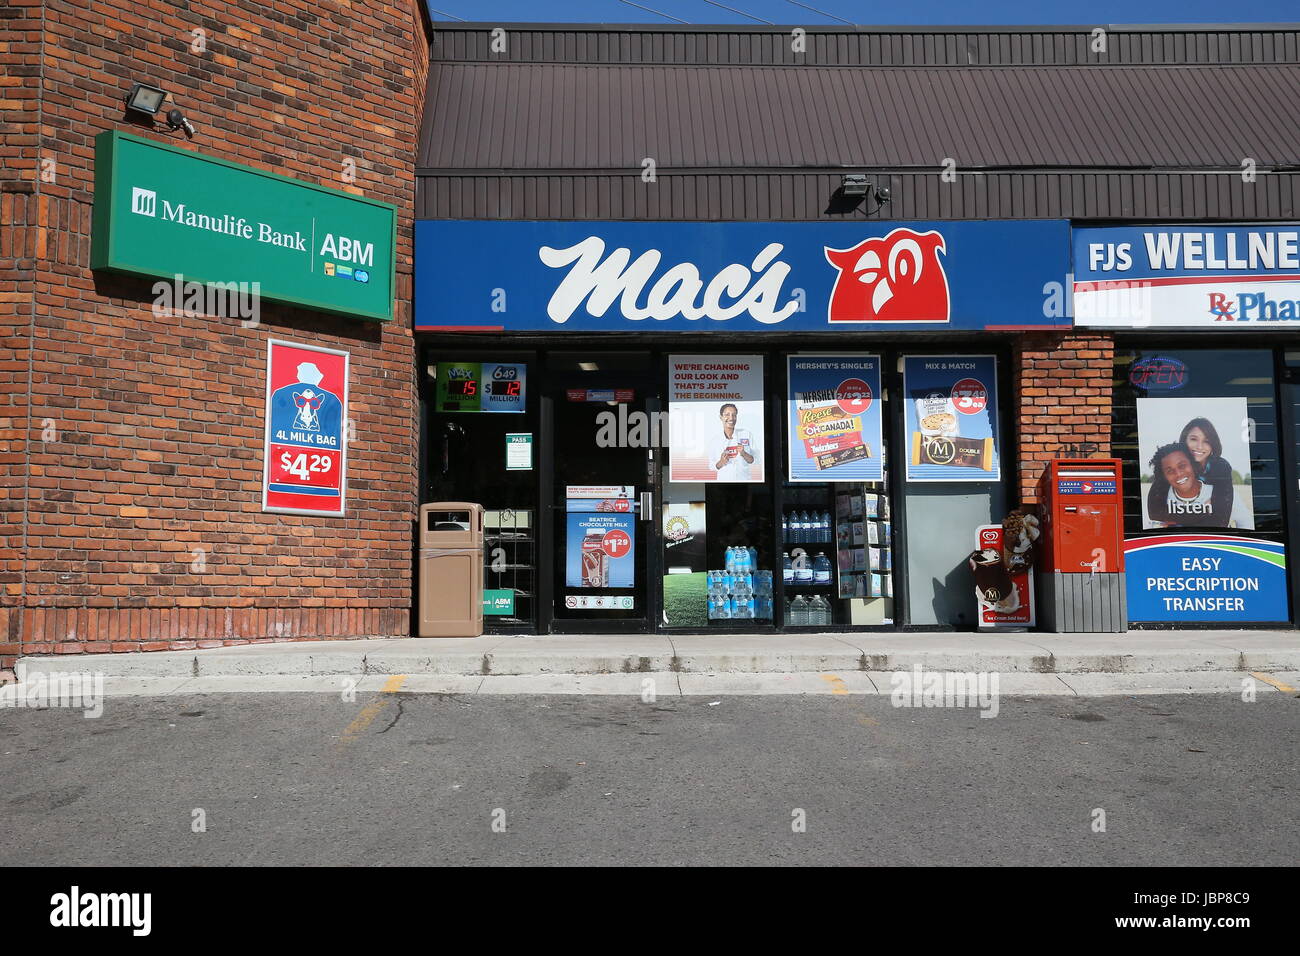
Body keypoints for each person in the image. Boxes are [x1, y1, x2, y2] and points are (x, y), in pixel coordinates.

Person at [1146, 417, 1234, 526]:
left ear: (1213, 445)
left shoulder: (1221, 467)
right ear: (1184, 440)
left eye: (1206, 441)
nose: (1199, 446)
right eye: (1194, 439)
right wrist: (1204, 511)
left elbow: (1221, 519)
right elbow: (1155, 513)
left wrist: (1177, 517)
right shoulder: (1171, 463)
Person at [1147, 442, 1228, 528]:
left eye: (1182, 466)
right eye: (1169, 471)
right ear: (1164, 476)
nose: (1178, 474)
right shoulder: (1159, 501)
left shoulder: (1220, 495)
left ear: (1193, 464)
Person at [709, 403, 757, 481]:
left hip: (744, 481)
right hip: (724, 482)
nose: (731, 418)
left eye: (734, 415)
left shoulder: (746, 434)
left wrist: (744, 454)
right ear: (721, 417)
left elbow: (754, 460)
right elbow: (711, 466)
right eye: (727, 414)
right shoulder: (715, 441)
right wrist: (721, 462)